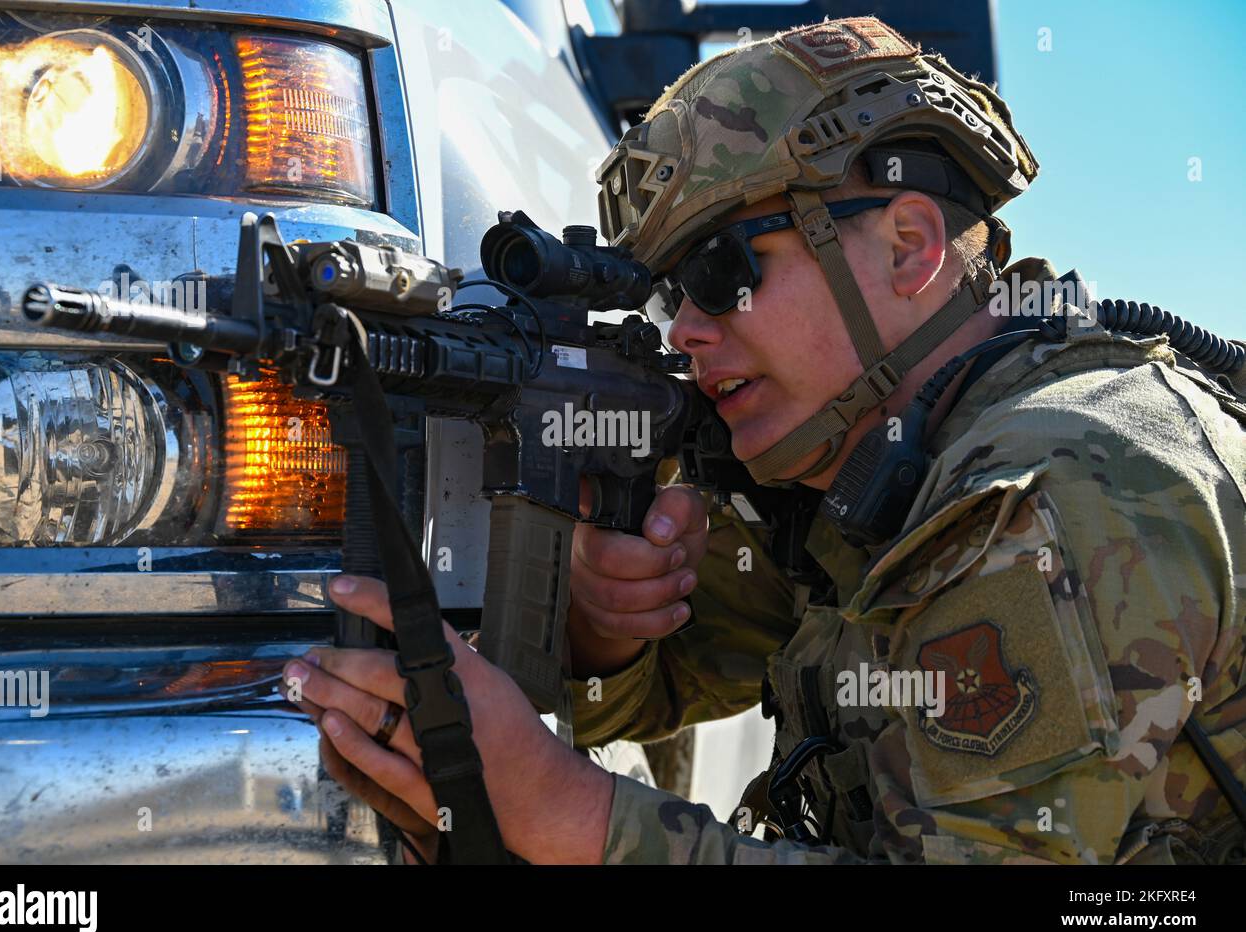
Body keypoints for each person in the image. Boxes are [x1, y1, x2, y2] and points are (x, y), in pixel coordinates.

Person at [284, 16, 1246, 864]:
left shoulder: (1050, 491)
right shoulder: (862, 480)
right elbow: (667, 682)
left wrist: (566, 815)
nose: (686, 331)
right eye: (666, 298)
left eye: (719, 267)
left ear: (909, 246)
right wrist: (608, 630)